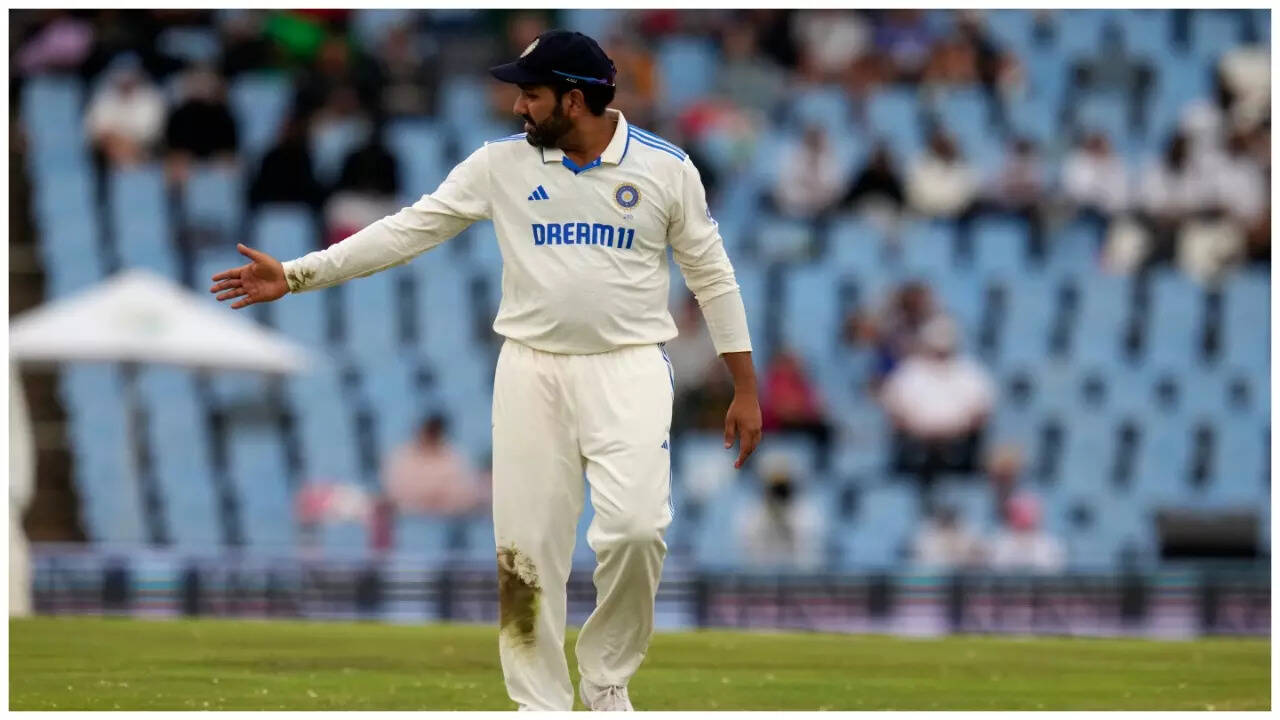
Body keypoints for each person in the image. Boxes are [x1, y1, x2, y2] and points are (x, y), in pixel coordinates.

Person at [209, 30, 761, 712]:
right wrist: (297, 275)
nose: (518, 108)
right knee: (524, 554)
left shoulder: (665, 169)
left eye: (531, 95)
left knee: (637, 530)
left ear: (575, 97)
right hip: (530, 369)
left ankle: (607, 677)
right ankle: (539, 703)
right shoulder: (501, 165)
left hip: (630, 367)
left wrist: (745, 386)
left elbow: (713, 274)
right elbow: (411, 228)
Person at [880, 315, 995, 489]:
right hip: (915, 443)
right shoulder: (910, 372)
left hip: (959, 444)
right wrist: (921, 432)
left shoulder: (971, 373)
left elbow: (981, 413)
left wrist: (952, 432)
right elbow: (894, 412)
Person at [382, 415, 487, 516]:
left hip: (446, 517)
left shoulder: (453, 457)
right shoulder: (402, 455)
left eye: (434, 433)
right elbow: (394, 490)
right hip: (409, 516)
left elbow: (465, 492)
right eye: (428, 432)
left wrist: (438, 499)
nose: (430, 437)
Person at [735, 452, 824, 570]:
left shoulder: (806, 512)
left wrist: (788, 520)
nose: (779, 494)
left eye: (783, 488)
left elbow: (810, 554)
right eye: (775, 488)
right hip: (762, 577)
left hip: (797, 577)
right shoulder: (753, 513)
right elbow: (748, 554)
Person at [987, 492, 1066, 573]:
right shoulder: (999, 542)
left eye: (1029, 511)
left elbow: (1052, 571)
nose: (1025, 515)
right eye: (1019, 511)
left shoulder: (1050, 544)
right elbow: (997, 569)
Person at [912, 505, 984, 570]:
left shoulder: (964, 532)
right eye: (943, 519)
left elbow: (977, 554)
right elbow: (928, 560)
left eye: (949, 520)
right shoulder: (927, 536)